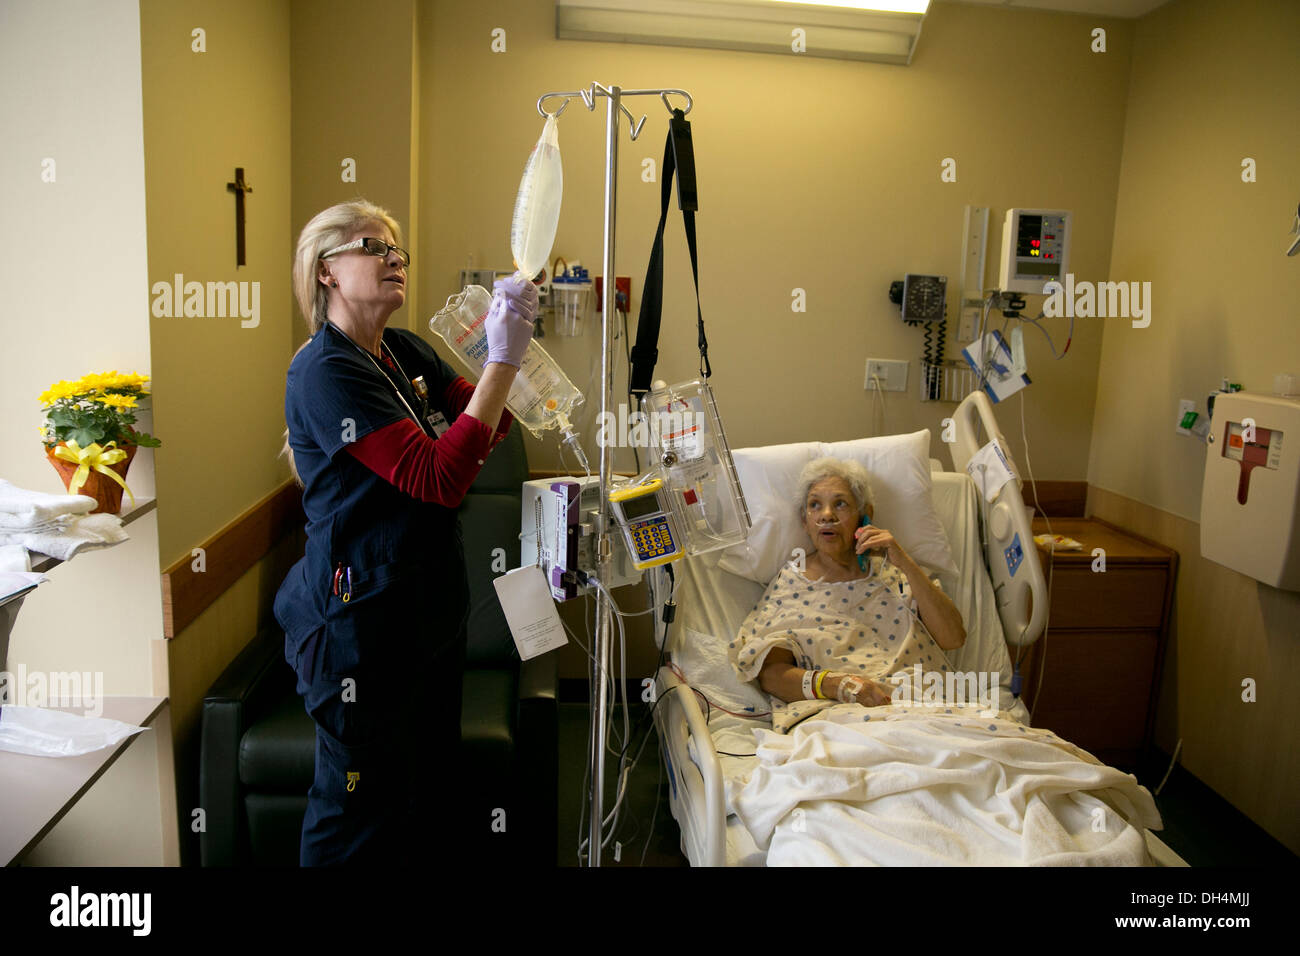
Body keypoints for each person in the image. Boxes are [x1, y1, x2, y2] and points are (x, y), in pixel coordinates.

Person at [272, 199, 537, 865]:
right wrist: (503, 363)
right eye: (375, 246)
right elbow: (438, 479)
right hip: (360, 633)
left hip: (429, 613)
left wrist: (496, 347)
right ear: (327, 270)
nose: (395, 259)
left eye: (398, 250)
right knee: (355, 812)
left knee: (424, 799)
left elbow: (491, 428)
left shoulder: (402, 348)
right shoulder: (324, 372)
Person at [729, 457, 966, 733]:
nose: (826, 514)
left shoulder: (896, 574)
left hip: (922, 711)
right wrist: (841, 685)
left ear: (865, 515)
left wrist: (905, 562)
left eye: (840, 503)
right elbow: (770, 675)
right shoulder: (793, 581)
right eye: (814, 505)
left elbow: (953, 638)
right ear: (805, 523)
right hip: (838, 719)